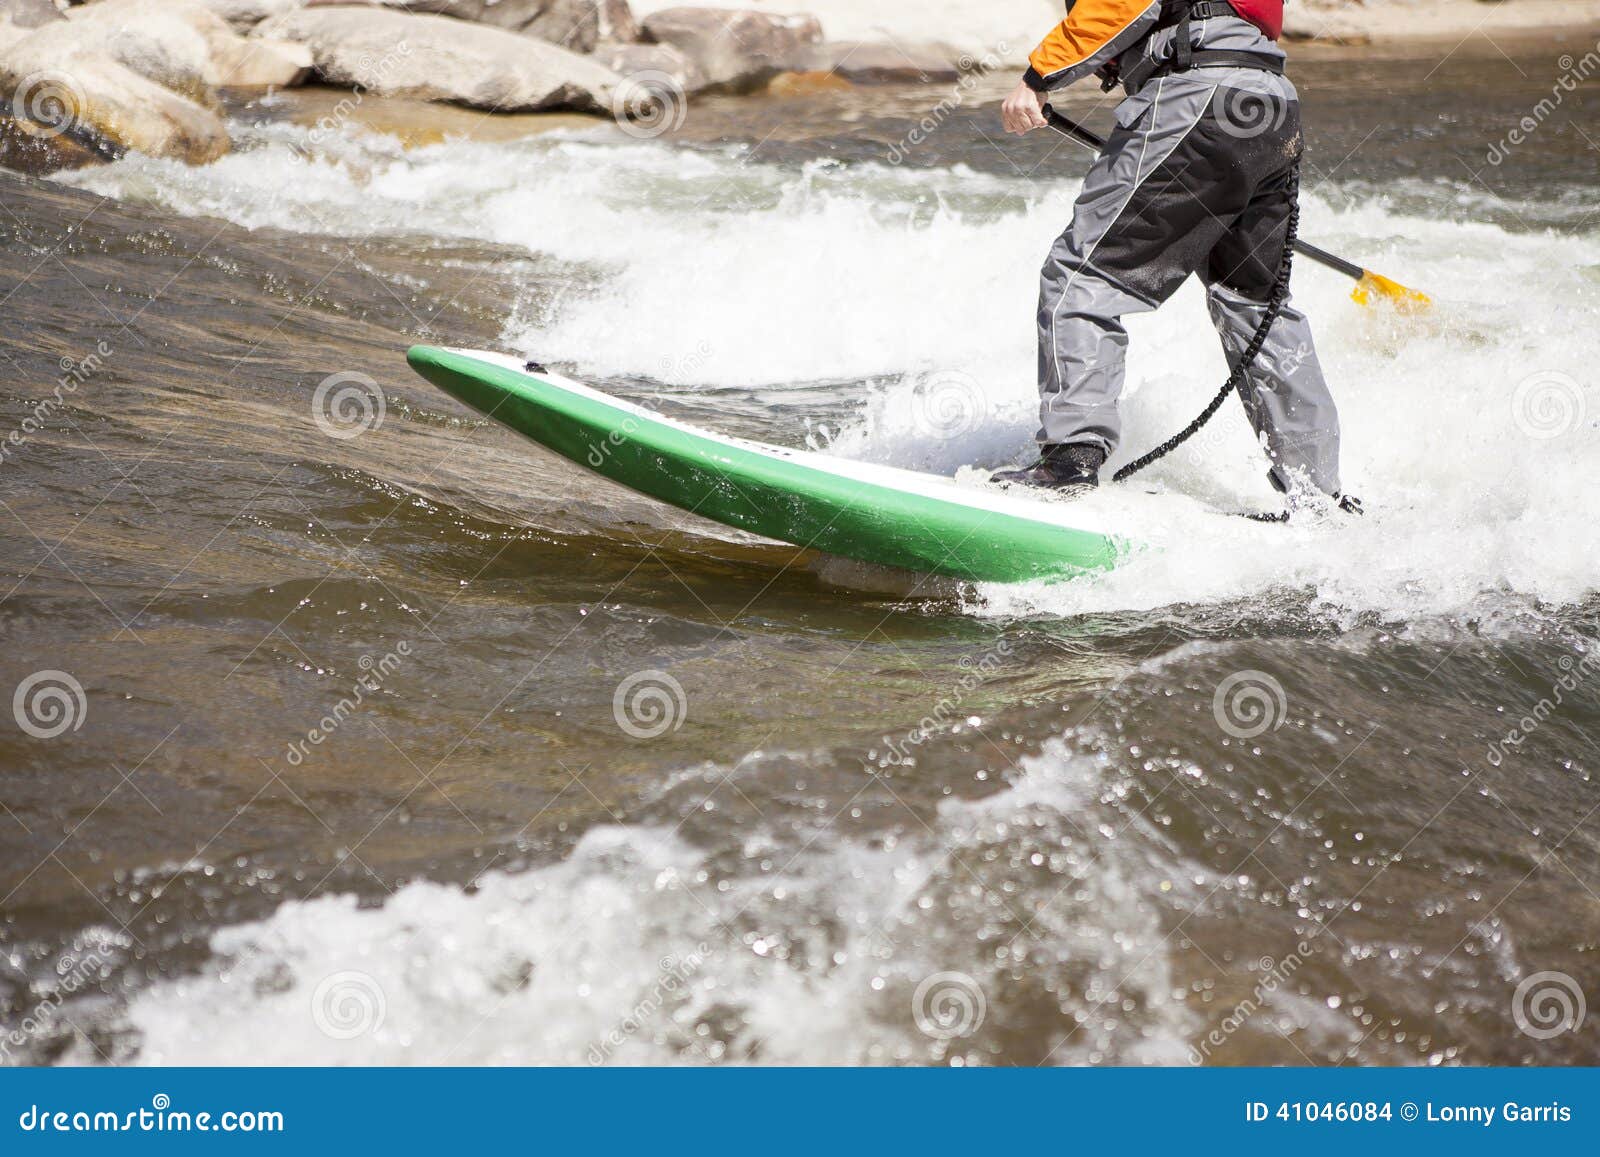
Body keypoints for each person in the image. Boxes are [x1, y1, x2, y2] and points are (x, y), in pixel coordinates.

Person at [992, 0, 1350, 508]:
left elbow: (1121, 3)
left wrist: (1038, 78)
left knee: (1080, 276)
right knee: (1253, 304)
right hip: (1269, 99)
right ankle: (1319, 494)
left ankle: (1069, 463)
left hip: (1198, 91)